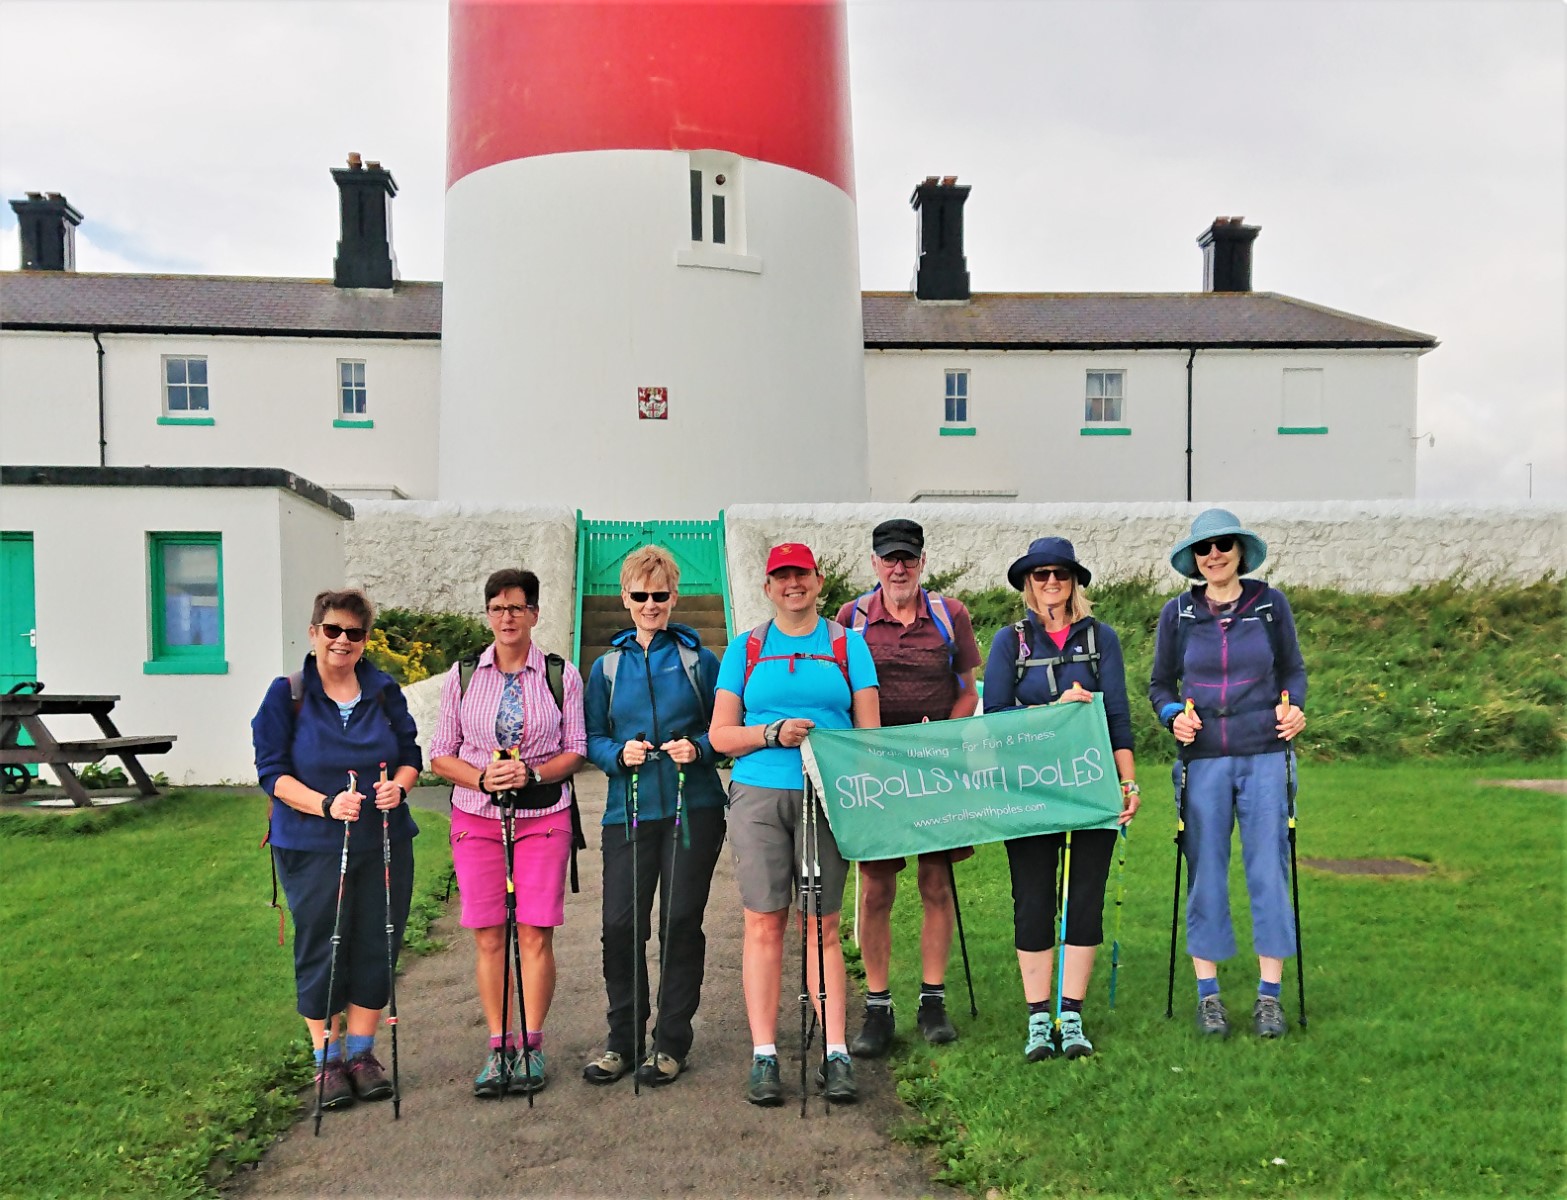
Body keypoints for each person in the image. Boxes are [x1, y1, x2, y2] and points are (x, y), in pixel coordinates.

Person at [709, 542, 880, 1107]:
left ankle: (834, 1051)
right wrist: (771, 732)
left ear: (818, 579)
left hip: (825, 796)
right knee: (763, 922)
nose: (793, 585)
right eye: (781, 577)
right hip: (760, 792)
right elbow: (720, 736)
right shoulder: (746, 647)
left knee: (822, 925)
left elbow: (868, 734)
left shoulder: (846, 645)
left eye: (801, 575)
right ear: (768, 587)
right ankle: (764, 1054)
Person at [252, 588, 422, 1110]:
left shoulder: (384, 690)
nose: (342, 641)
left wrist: (400, 786)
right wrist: (325, 805)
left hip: (383, 840)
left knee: (376, 940)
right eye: (333, 630)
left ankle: (363, 1055)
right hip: (312, 844)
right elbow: (271, 773)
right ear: (314, 633)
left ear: (366, 641)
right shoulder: (288, 694)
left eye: (354, 633)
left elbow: (411, 754)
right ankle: (325, 1059)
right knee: (323, 943)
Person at [1149, 509, 1307, 1039]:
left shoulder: (1270, 605)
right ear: (1193, 559)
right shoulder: (1178, 613)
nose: (1213, 555)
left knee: (1268, 870)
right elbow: (1160, 686)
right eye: (1202, 548)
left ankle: (1269, 996)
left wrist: (1295, 708)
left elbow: (1292, 670)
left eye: (1222, 545)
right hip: (1203, 762)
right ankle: (1209, 995)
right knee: (1206, 875)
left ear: (1240, 549)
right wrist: (1174, 717)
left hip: (1265, 753)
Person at [429, 568, 587, 1095]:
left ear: (535, 614)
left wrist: (533, 773)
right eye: (497, 608)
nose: (506, 617)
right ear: (488, 614)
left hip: (543, 817)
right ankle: (499, 1047)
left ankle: (532, 1046)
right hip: (476, 816)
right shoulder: (464, 674)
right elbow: (440, 753)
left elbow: (577, 748)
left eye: (517, 608)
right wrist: (480, 776)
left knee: (536, 931)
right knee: (490, 934)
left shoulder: (560, 675)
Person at [982, 538, 1139, 1061]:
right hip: (1029, 786)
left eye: (1061, 574)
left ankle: (1071, 1013)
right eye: (1041, 575)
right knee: (1032, 898)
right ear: (1028, 583)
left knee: (1085, 896)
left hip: (1090, 782)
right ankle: (1037, 1016)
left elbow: (1117, 713)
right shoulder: (1010, 642)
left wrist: (1128, 782)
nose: (1051, 583)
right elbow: (998, 715)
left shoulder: (1101, 639)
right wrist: (1056, 707)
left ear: (1074, 581)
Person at [834, 518, 982, 1056]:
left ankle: (933, 999)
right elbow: (837, 691)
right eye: (889, 558)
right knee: (875, 889)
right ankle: (877, 1006)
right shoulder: (849, 620)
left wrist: (947, 730)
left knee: (936, 882)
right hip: (876, 770)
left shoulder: (950, 615)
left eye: (908, 558)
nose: (899, 567)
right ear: (873, 563)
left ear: (922, 562)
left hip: (935, 765)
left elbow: (968, 688)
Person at [582, 545, 726, 1088]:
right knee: (620, 925)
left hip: (695, 807)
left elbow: (725, 729)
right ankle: (622, 1040)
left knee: (679, 923)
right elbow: (591, 738)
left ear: (673, 597)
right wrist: (618, 756)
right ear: (624, 598)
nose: (650, 604)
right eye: (639, 595)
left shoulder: (698, 659)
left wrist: (702, 748)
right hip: (628, 809)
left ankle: (669, 1043)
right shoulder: (607, 666)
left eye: (659, 595)